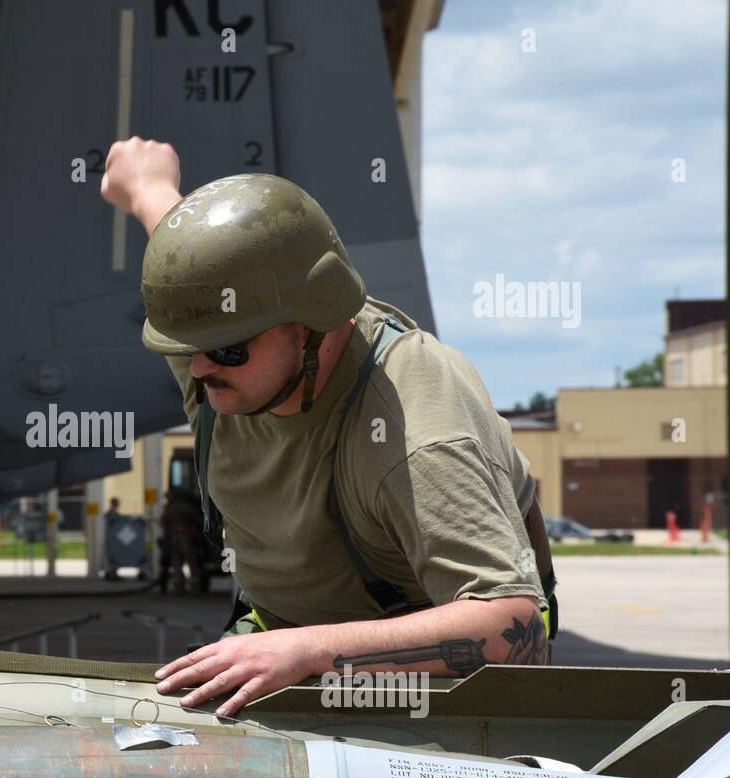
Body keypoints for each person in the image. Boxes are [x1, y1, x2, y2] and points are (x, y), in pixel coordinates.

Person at [100, 138, 557, 718]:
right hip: (283, 641)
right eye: (186, 347)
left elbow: (513, 626)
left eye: (223, 350)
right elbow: (196, 271)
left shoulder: (413, 433)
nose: (198, 369)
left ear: (315, 323)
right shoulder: (225, 344)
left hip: (423, 673)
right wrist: (145, 184)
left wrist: (311, 651)